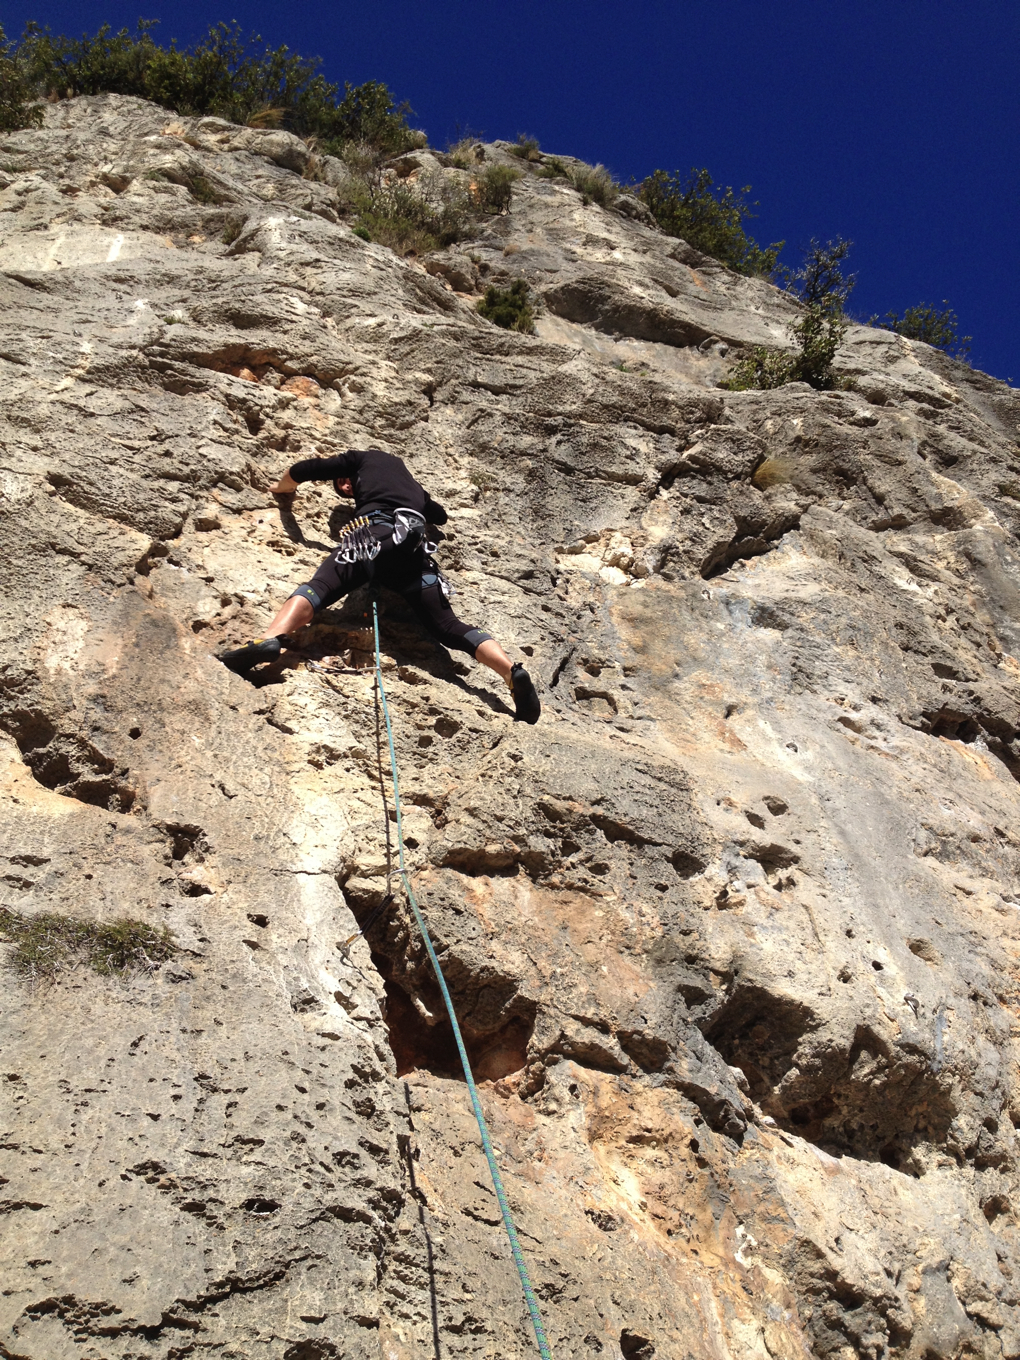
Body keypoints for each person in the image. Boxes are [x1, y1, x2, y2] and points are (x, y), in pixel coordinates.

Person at [218, 447, 541, 724]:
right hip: (414, 551)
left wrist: (281, 487)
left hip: (374, 535)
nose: (345, 488)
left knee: (319, 589)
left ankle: (270, 639)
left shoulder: (362, 459)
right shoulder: (414, 488)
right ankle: (511, 672)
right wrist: (416, 500)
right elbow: (438, 516)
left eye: (344, 484)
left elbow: (305, 470)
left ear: (350, 474)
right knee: (447, 626)